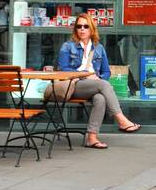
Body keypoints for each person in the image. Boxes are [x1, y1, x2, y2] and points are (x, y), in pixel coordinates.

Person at [54, 17, 140, 149]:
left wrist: (98, 79)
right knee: (104, 85)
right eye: (79, 26)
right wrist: (86, 75)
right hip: (74, 85)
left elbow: (106, 72)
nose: (82, 29)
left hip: (94, 85)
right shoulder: (68, 46)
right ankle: (121, 120)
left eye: (86, 26)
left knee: (100, 98)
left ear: (92, 29)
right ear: (75, 29)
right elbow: (63, 69)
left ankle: (91, 138)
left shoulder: (98, 48)